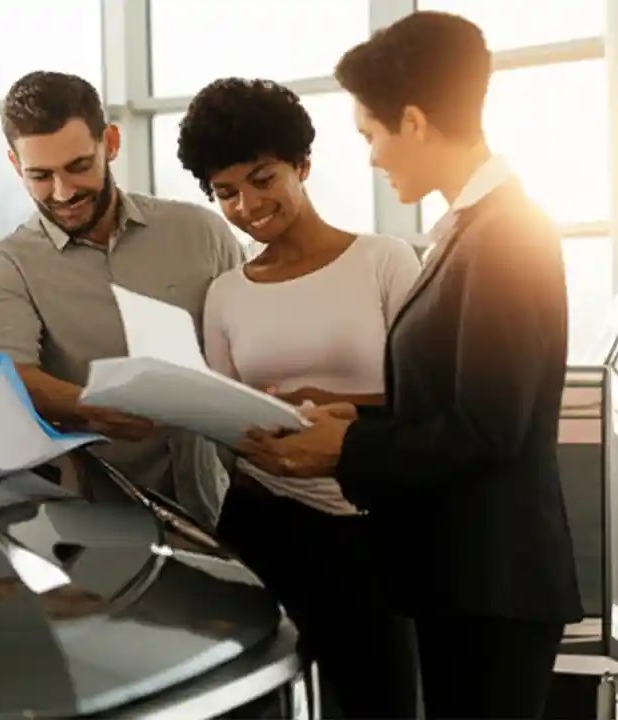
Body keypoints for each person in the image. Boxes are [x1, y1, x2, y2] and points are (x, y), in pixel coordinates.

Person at [237, 12, 584, 719]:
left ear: (416, 122)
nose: (371, 157)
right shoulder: (475, 230)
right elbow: (455, 404)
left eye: (372, 134)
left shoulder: (506, 236)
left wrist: (346, 446)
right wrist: (350, 414)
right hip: (465, 577)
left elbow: (485, 430)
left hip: (493, 583)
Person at [176, 77, 421, 718]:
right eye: (226, 192)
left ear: (302, 165)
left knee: (379, 701)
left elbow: (427, 397)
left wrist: (330, 408)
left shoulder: (384, 261)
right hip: (263, 524)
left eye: (263, 179)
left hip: (368, 529)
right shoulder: (226, 293)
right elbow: (221, 413)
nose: (248, 205)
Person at [0, 70, 246, 527]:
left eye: (79, 167)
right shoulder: (7, 265)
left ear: (111, 143)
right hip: (91, 521)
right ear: (16, 166)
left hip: (216, 509)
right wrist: (88, 407)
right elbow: (4, 375)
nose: (63, 193)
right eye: (40, 175)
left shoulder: (200, 232)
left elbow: (247, 339)